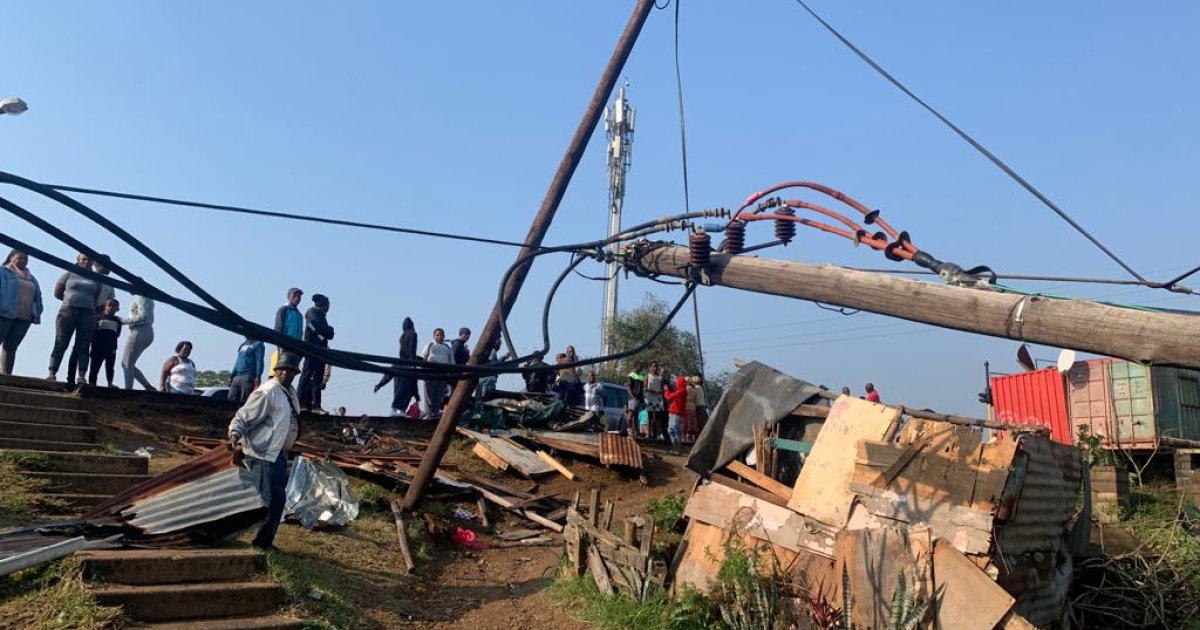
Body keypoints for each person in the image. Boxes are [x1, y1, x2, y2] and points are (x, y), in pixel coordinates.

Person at [227, 352, 303, 552]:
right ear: (276, 370)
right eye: (282, 369)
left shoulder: (290, 392)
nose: (286, 373)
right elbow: (244, 415)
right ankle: (260, 542)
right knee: (271, 499)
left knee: (273, 499)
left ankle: (262, 540)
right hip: (262, 454)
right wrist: (235, 434)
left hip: (276, 454)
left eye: (291, 371)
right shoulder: (268, 391)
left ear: (296, 373)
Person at [48, 252, 100, 384]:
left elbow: (96, 295)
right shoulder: (69, 273)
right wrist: (68, 301)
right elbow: (57, 292)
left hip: (88, 313)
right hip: (69, 310)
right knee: (61, 341)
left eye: (88, 260)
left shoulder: (96, 278)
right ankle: (52, 373)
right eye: (83, 259)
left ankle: (81, 376)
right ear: (78, 260)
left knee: (84, 344)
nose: (86, 262)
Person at [67, 256, 115, 382]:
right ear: (98, 265)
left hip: (98, 316)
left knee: (94, 348)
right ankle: (71, 377)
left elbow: (111, 301)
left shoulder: (109, 284)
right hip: (84, 312)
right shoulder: (89, 277)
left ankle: (88, 377)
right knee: (79, 346)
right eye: (107, 266)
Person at [0, 250, 43, 375]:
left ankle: (6, 375)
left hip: (25, 316)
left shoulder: (31, 277)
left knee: (11, 347)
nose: (23, 260)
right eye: (20, 258)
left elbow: (38, 296)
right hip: (4, 313)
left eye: (26, 259)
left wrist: (38, 310)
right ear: (11, 257)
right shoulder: (3, 272)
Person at [375, 317, 421, 417]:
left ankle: (398, 409)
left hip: (402, 363)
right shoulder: (413, 334)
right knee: (406, 386)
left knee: (404, 387)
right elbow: (411, 350)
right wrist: (413, 362)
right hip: (409, 363)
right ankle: (396, 408)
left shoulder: (402, 336)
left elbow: (388, 373)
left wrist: (379, 384)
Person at [297, 294, 335, 414]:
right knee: (306, 376)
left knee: (318, 378)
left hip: (321, 350)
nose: (328, 307)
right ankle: (300, 403)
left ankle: (316, 406)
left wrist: (328, 330)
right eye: (327, 305)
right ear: (323, 305)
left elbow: (329, 334)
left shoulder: (322, 316)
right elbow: (319, 328)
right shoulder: (311, 313)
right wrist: (327, 330)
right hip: (311, 349)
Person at [121, 294, 156, 390]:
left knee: (126, 363)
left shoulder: (142, 298)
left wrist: (122, 321)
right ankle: (147, 386)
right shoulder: (148, 298)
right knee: (129, 363)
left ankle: (128, 389)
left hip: (139, 330)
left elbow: (142, 316)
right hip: (146, 331)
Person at [87, 299, 122, 387]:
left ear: (117, 309)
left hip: (111, 348)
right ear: (105, 306)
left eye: (114, 306)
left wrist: (113, 347)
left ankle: (110, 383)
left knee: (110, 367)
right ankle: (92, 383)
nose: (111, 308)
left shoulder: (117, 321)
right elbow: (93, 332)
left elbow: (117, 334)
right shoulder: (98, 318)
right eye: (109, 305)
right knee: (94, 366)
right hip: (97, 347)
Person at [421, 328, 453, 418]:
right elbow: (422, 358)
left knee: (439, 394)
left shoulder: (447, 347)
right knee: (429, 395)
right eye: (437, 335)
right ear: (434, 336)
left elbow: (452, 361)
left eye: (441, 335)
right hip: (431, 373)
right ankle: (429, 414)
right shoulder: (430, 345)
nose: (439, 337)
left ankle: (435, 413)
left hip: (443, 374)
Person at [271, 287, 304, 372]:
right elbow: (278, 328)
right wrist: (280, 345)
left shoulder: (299, 314)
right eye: (294, 296)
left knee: (292, 370)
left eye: (299, 296)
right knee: (282, 370)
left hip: (296, 347)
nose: (297, 298)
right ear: (288, 296)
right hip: (285, 346)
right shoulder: (284, 309)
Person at [229, 336, 265, 403]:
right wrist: (232, 375)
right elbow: (237, 361)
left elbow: (259, 360)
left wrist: (258, 375)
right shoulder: (243, 345)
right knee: (231, 399)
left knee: (244, 401)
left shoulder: (258, 344)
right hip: (237, 376)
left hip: (248, 376)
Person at [664, 374, 689, 454]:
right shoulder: (683, 391)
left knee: (674, 431)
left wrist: (666, 390)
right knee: (672, 430)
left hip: (675, 414)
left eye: (677, 382)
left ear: (679, 383)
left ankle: (677, 450)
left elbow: (668, 397)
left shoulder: (680, 391)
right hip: (676, 413)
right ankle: (675, 449)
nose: (676, 383)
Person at [644, 362, 667, 444]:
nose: (655, 368)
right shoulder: (647, 376)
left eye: (656, 366)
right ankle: (648, 434)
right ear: (650, 367)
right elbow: (645, 388)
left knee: (658, 417)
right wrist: (652, 391)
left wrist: (661, 391)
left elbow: (663, 388)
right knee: (649, 416)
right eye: (654, 366)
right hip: (649, 398)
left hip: (658, 398)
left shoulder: (660, 377)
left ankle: (658, 434)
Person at [625, 362, 646, 438]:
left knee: (636, 416)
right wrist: (633, 397)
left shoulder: (641, 376)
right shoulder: (631, 375)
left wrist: (642, 399)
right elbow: (628, 387)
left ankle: (636, 432)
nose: (641, 368)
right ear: (636, 366)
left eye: (642, 367)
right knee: (630, 415)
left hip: (639, 399)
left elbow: (642, 389)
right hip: (633, 398)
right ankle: (629, 429)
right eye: (640, 366)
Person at [449, 327, 471, 394]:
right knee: (454, 392)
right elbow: (454, 358)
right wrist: (467, 358)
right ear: (463, 334)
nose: (468, 338)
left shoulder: (461, 345)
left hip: (459, 371)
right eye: (467, 335)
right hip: (456, 372)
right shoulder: (457, 344)